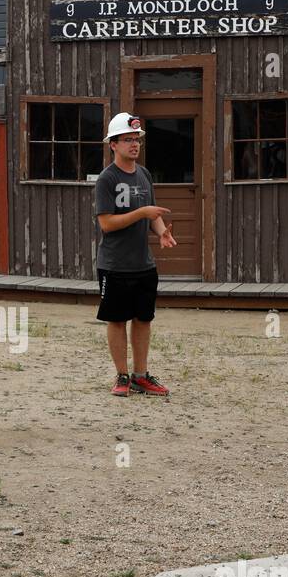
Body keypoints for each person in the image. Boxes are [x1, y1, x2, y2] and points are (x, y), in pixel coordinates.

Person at [93, 112, 177, 397]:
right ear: (113, 144)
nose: (134, 144)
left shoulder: (144, 174)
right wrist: (141, 213)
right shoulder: (106, 179)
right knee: (117, 320)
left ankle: (141, 376)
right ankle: (122, 376)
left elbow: (151, 213)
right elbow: (106, 223)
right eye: (127, 139)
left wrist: (161, 231)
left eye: (137, 139)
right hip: (114, 265)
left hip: (143, 264)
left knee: (143, 319)